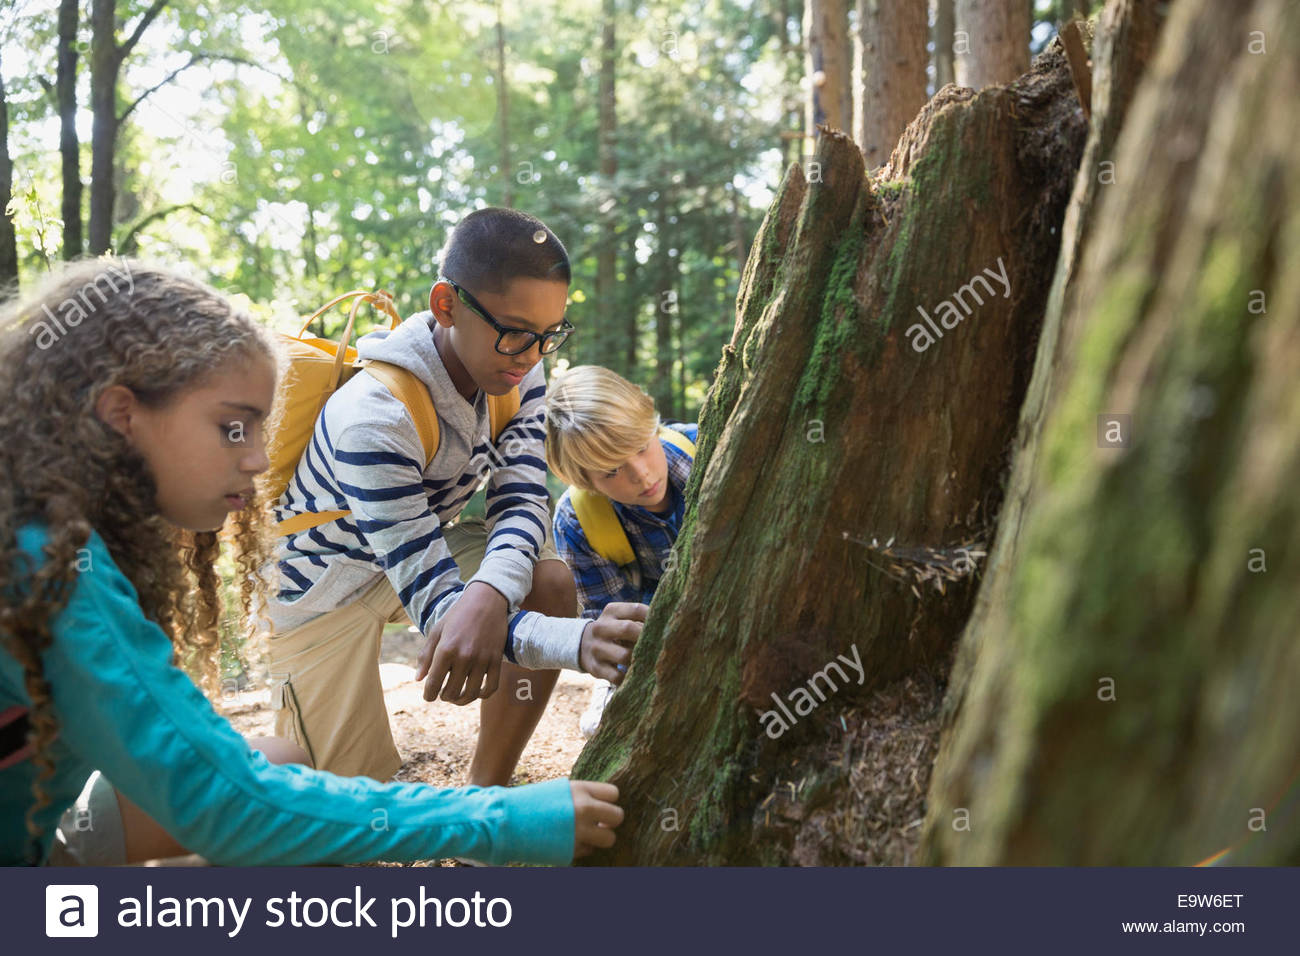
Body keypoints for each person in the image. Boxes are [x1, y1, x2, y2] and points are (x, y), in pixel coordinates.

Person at [0, 258, 623, 866]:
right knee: (289, 806)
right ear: (121, 417)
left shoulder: (55, 543)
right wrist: (497, 824)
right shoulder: (50, 574)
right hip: (326, 590)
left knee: (280, 769)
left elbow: (518, 498)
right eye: (233, 428)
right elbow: (222, 798)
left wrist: (504, 599)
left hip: (42, 825)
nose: (257, 460)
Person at [266, 208, 644, 783]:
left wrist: (492, 591)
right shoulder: (375, 419)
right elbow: (436, 602)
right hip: (321, 588)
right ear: (446, 305)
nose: (532, 356)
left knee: (547, 579)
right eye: (516, 332)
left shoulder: (521, 370)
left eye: (550, 335)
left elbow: (520, 500)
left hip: (417, 551)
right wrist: (579, 641)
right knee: (331, 809)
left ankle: (485, 791)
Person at [545, 366, 698, 735]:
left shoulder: (707, 448)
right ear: (585, 479)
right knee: (607, 729)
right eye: (611, 471)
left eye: (642, 448)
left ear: (652, 425)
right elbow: (614, 629)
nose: (642, 476)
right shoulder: (578, 521)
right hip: (655, 627)